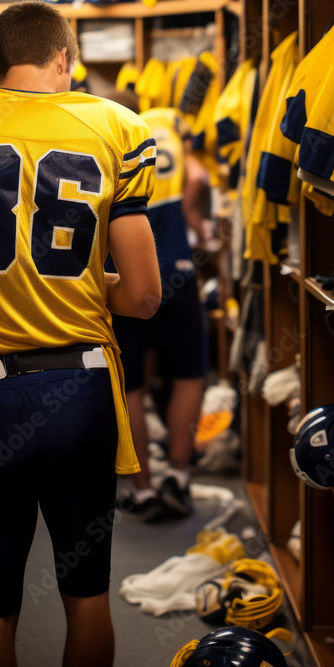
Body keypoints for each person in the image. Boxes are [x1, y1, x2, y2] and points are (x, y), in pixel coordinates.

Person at [0, 0, 162, 667]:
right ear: (65, 57)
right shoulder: (116, 127)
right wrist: (79, 283)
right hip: (80, 393)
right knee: (87, 596)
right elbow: (143, 296)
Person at [113, 110, 211, 521]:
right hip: (177, 270)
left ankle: (144, 489)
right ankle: (178, 476)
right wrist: (193, 219)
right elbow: (199, 176)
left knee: (130, 386)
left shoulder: (107, 134)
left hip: (126, 275)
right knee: (189, 375)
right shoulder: (167, 126)